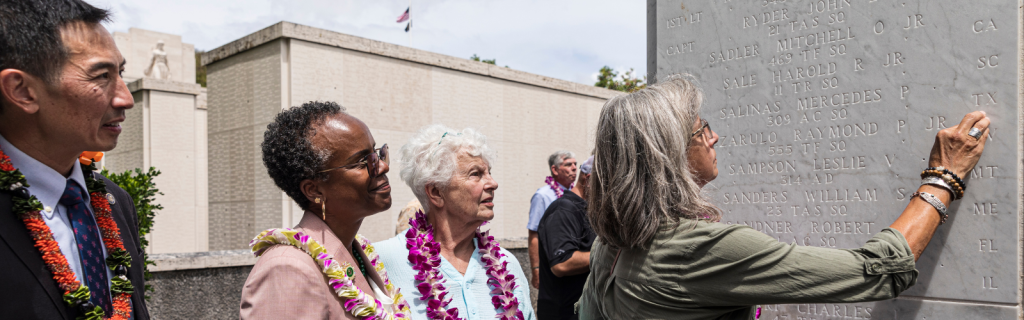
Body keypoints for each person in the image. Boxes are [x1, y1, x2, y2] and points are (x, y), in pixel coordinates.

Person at [577, 77, 990, 319]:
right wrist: (944, 176)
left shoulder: (609, 243)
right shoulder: (699, 251)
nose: (714, 137)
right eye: (701, 130)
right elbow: (878, 272)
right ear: (669, 155)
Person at [0, 1, 150, 319]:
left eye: (120, 73)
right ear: (22, 90)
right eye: (101, 76)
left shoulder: (115, 201)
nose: (126, 98)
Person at [240, 101, 410, 319]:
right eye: (361, 161)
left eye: (376, 154)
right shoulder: (287, 268)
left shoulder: (359, 253)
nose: (383, 166)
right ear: (314, 190)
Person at [374, 124, 536, 320]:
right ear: (436, 192)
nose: (493, 183)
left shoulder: (508, 264)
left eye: (489, 172)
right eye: (475, 174)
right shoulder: (383, 261)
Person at [537, 156, 595, 320]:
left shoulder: (587, 208)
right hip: (563, 313)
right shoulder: (564, 209)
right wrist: (608, 254)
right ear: (589, 180)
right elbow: (562, 263)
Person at [527, 151, 577, 289]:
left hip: (574, 263)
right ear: (554, 169)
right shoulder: (542, 196)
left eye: (575, 164)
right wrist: (536, 269)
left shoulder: (578, 194)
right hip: (551, 264)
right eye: (568, 164)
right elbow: (534, 234)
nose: (574, 168)